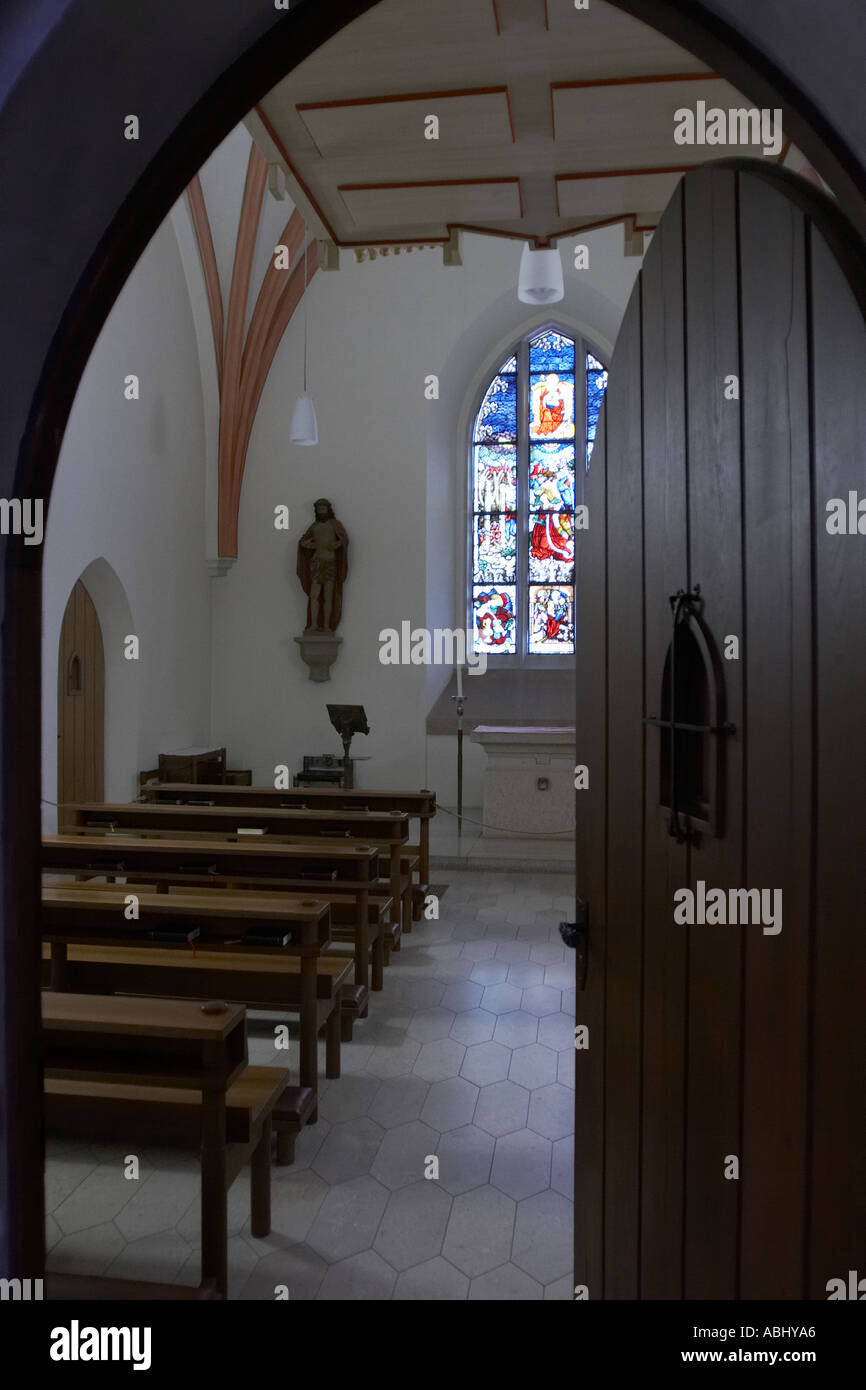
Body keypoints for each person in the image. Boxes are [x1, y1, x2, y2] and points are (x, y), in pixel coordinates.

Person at [297, 498, 349, 631]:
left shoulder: (335, 524)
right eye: (319, 508)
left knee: (328, 596)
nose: (321, 510)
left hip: (330, 562)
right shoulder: (314, 526)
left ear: (328, 509)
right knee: (314, 595)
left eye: (323, 508)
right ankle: (314, 624)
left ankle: (326, 625)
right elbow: (303, 541)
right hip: (317, 563)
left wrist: (337, 544)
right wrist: (309, 544)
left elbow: (344, 539)